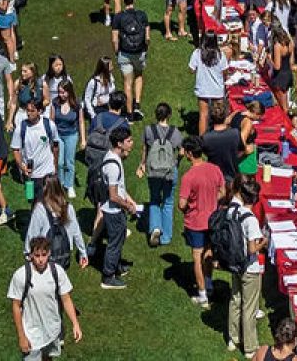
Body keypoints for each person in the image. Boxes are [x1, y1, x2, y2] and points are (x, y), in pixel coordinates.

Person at [7, 237, 81, 361]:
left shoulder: (57, 272)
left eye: (44, 255)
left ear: (49, 253)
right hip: (31, 332)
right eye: (36, 255)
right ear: (30, 255)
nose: (41, 260)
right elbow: (16, 306)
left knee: (48, 358)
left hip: (52, 328)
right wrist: (21, 336)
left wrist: (75, 324)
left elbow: (66, 299)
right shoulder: (21, 275)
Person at [178, 134, 226, 305]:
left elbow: (182, 204)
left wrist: (190, 206)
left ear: (190, 153)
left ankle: (202, 293)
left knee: (197, 257)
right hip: (213, 220)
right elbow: (222, 192)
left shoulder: (188, 177)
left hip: (196, 222)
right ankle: (209, 284)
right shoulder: (215, 169)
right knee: (208, 253)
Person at [224, 178, 267, 360]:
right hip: (250, 267)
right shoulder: (251, 220)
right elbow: (251, 249)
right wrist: (264, 241)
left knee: (235, 300)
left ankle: (233, 338)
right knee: (249, 308)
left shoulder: (232, 212)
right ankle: (250, 347)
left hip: (235, 264)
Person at [93, 126, 138, 289]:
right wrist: (128, 206)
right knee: (115, 242)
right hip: (113, 211)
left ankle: (116, 266)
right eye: (129, 141)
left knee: (118, 240)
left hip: (114, 209)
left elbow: (119, 187)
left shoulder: (114, 157)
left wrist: (129, 200)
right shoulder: (113, 165)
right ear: (119, 144)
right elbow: (113, 195)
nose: (132, 143)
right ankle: (108, 276)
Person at [138, 102, 182, 247]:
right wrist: (177, 161)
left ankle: (155, 227)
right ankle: (166, 237)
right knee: (168, 202)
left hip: (154, 171)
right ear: (169, 115)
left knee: (155, 199)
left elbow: (145, 149)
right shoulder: (175, 132)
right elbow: (181, 151)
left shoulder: (148, 130)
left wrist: (142, 164)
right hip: (170, 171)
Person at [23, 178, 88, 271]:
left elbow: (32, 233)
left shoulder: (40, 209)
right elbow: (76, 232)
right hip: (64, 255)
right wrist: (83, 252)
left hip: (45, 255)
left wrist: (27, 253)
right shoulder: (68, 207)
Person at [111, 0, 151, 120]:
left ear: (123, 1)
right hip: (139, 52)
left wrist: (117, 52)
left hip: (125, 53)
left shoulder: (118, 17)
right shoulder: (142, 15)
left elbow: (114, 38)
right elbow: (147, 37)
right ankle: (137, 104)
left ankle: (129, 113)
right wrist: (145, 48)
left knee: (127, 83)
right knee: (139, 75)